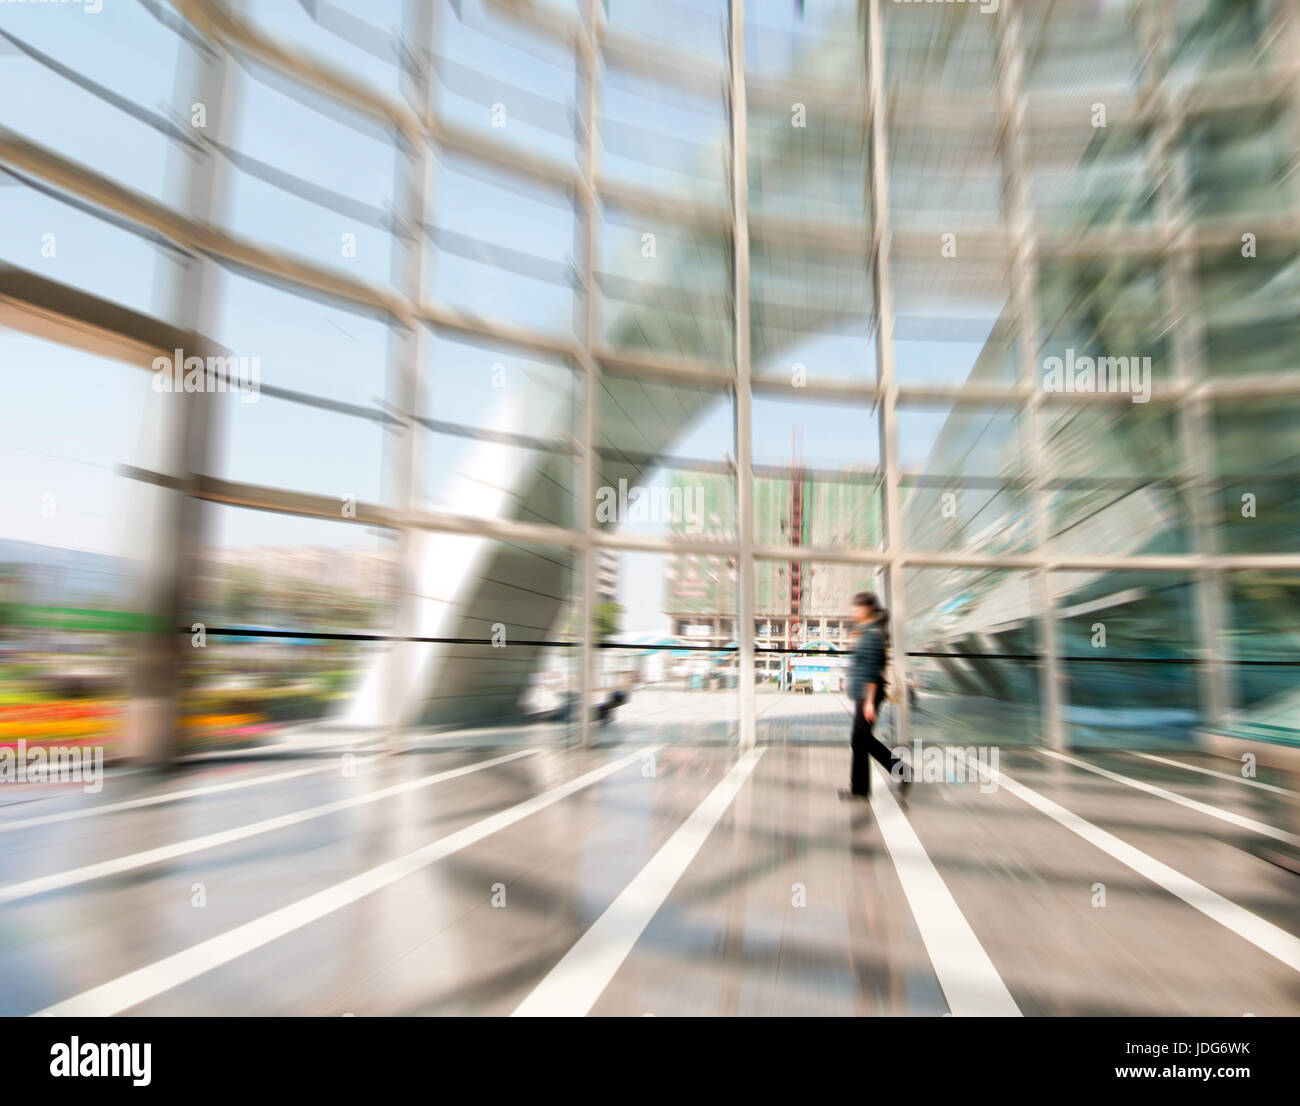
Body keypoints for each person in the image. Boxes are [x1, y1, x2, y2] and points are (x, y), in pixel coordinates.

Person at [840, 591, 910, 802]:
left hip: (869, 694)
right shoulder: (866, 632)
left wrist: (869, 702)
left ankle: (900, 771)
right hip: (865, 693)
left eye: (856, 607)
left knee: (860, 739)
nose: (853, 611)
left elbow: (871, 670)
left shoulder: (871, 635)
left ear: (867, 609)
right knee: (860, 740)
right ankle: (861, 789)